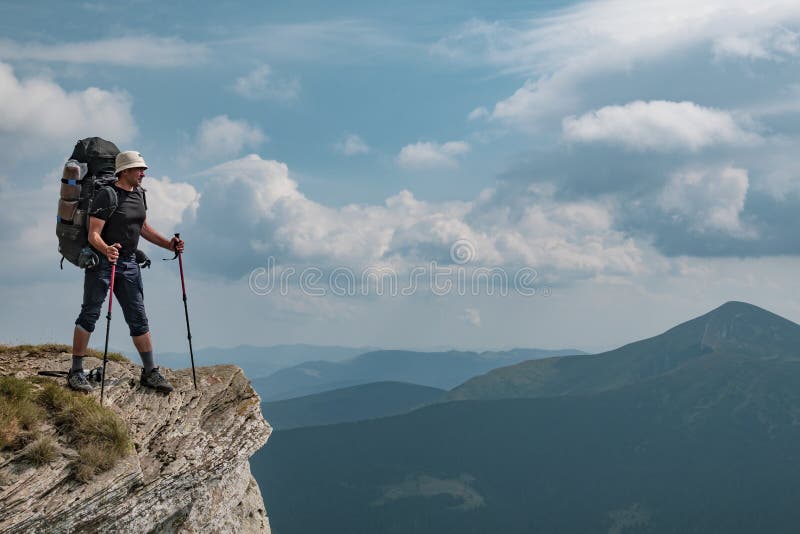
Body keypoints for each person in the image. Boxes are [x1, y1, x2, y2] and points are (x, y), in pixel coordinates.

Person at [68, 151, 185, 393]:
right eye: (138, 169)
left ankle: (150, 372)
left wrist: (168, 244)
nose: (143, 173)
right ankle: (76, 371)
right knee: (90, 314)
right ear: (124, 171)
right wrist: (107, 249)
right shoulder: (106, 195)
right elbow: (93, 234)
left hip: (129, 264)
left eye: (143, 169)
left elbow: (142, 226)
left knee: (138, 318)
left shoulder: (140, 194)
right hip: (102, 263)